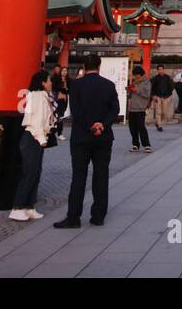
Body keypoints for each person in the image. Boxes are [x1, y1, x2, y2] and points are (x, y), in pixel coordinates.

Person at [54, 56, 120, 229]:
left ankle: (73, 217)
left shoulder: (76, 85)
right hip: (103, 137)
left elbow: (76, 110)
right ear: (99, 66)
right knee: (101, 175)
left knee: (79, 176)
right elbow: (115, 109)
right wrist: (102, 125)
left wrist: (90, 126)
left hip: (81, 136)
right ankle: (98, 216)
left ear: (84, 66)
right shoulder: (108, 85)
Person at [10, 70, 57, 222]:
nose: (51, 83)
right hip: (33, 137)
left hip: (36, 137)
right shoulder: (37, 97)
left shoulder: (42, 97)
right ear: (43, 83)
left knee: (35, 173)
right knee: (29, 173)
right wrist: (41, 138)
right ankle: (17, 207)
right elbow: (34, 120)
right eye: (49, 80)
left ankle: (29, 207)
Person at [125, 64, 153, 153]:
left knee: (141, 127)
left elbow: (147, 95)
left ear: (140, 74)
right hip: (132, 108)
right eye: (134, 75)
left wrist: (137, 90)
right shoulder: (134, 82)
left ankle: (147, 145)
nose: (135, 76)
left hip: (141, 108)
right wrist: (129, 91)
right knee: (132, 128)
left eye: (136, 75)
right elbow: (130, 95)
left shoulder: (147, 83)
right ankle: (135, 145)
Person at [150, 67, 174, 131]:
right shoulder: (155, 78)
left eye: (161, 69)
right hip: (157, 97)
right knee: (158, 112)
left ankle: (157, 122)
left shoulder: (167, 77)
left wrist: (169, 95)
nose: (160, 71)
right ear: (157, 70)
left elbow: (171, 86)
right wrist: (153, 96)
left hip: (166, 97)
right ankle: (159, 125)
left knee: (164, 112)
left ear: (163, 70)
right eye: (159, 69)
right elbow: (151, 88)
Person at [52, 66, 69, 139]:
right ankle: (54, 132)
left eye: (66, 71)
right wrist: (61, 91)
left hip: (64, 100)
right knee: (56, 116)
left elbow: (69, 90)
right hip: (57, 99)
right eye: (63, 71)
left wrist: (65, 91)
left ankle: (60, 133)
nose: (64, 72)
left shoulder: (69, 80)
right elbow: (54, 88)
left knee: (61, 116)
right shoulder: (56, 79)